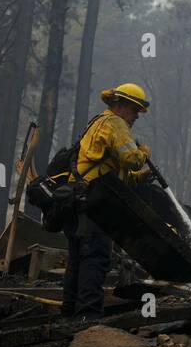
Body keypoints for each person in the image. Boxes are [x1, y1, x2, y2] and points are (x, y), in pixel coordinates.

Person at [61, 83, 153, 320]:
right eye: (135, 111)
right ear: (122, 106)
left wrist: (139, 177)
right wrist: (144, 153)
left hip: (77, 199)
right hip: (95, 203)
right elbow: (131, 158)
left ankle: (70, 314)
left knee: (78, 258)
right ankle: (89, 318)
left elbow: (112, 171)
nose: (135, 118)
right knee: (96, 257)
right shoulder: (115, 123)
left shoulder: (98, 122)